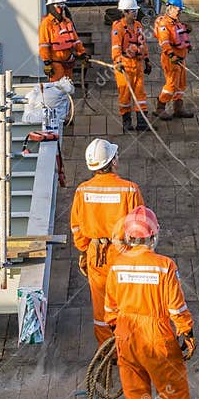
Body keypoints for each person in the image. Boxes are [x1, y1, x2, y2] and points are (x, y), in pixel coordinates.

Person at [104, 206, 199, 399]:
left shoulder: (116, 267)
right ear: (153, 237)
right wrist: (187, 333)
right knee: (173, 386)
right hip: (156, 335)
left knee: (135, 389)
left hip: (126, 335)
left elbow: (109, 310)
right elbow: (176, 307)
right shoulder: (164, 266)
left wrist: (119, 334)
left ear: (128, 237)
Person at [70, 139, 144, 345]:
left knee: (101, 304)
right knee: (127, 300)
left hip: (96, 254)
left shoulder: (82, 191)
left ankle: (106, 348)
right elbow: (139, 227)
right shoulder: (129, 190)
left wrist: (85, 250)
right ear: (113, 162)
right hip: (124, 253)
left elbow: (76, 226)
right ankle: (128, 344)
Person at [112, 0, 151, 132]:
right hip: (124, 66)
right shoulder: (118, 28)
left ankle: (142, 123)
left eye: (136, 11)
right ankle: (126, 122)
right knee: (125, 95)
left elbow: (143, 44)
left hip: (138, 64)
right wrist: (118, 62)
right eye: (133, 11)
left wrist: (147, 60)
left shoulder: (138, 26)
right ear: (125, 12)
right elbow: (116, 48)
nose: (135, 13)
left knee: (140, 94)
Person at [153, 0, 194, 120]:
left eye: (180, 9)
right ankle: (160, 107)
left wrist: (188, 45)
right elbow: (164, 42)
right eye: (177, 9)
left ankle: (178, 108)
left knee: (181, 84)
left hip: (181, 58)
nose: (179, 11)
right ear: (170, 8)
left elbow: (180, 36)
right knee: (171, 85)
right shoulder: (164, 25)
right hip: (171, 59)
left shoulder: (176, 22)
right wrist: (171, 55)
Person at [39, 0, 88, 81]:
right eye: (58, 5)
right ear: (51, 7)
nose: (61, 8)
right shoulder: (47, 23)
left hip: (68, 62)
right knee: (58, 90)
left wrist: (82, 54)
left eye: (62, 5)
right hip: (55, 63)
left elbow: (76, 40)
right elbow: (44, 44)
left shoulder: (67, 22)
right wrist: (47, 62)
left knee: (68, 89)